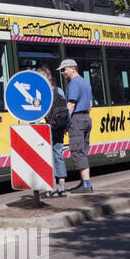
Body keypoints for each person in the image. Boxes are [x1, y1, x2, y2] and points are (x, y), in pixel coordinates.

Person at [58, 59, 94, 192]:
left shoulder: (73, 83)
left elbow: (71, 104)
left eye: (64, 69)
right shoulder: (85, 82)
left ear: (72, 68)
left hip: (77, 119)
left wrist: (65, 122)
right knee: (83, 151)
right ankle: (84, 182)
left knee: (77, 151)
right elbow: (90, 104)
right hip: (86, 118)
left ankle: (86, 185)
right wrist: (85, 116)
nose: (62, 73)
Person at [39, 67, 69, 197]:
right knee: (58, 154)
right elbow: (66, 110)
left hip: (46, 128)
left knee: (47, 157)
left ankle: (50, 189)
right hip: (59, 127)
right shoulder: (59, 90)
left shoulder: (40, 92)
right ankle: (61, 187)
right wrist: (67, 126)